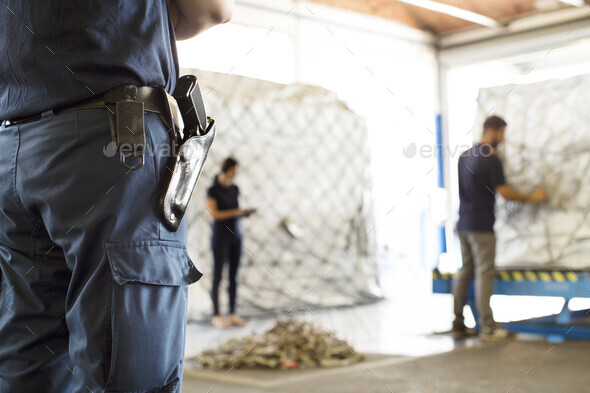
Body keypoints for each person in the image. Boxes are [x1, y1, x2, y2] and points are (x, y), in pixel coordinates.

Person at [0, 1, 232, 392]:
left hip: (13, 151)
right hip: (112, 140)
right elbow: (210, 10)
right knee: (131, 372)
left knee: (28, 365)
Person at [452, 115, 548, 341]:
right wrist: (532, 197)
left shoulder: (464, 156)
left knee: (465, 272)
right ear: (493, 131)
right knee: (485, 273)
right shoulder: (491, 159)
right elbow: (504, 191)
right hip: (481, 225)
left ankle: (458, 323)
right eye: (502, 134)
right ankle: (488, 327)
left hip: (463, 223)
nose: (503, 139)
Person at [206, 158, 255, 328]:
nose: (236, 174)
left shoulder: (235, 188)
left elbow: (237, 210)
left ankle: (233, 313)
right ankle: (217, 315)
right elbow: (215, 215)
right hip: (220, 238)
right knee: (218, 276)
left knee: (234, 276)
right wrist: (237, 211)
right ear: (226, 169)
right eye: (234, 170)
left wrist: (244, 213)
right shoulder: (213, 190)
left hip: (236, 237)